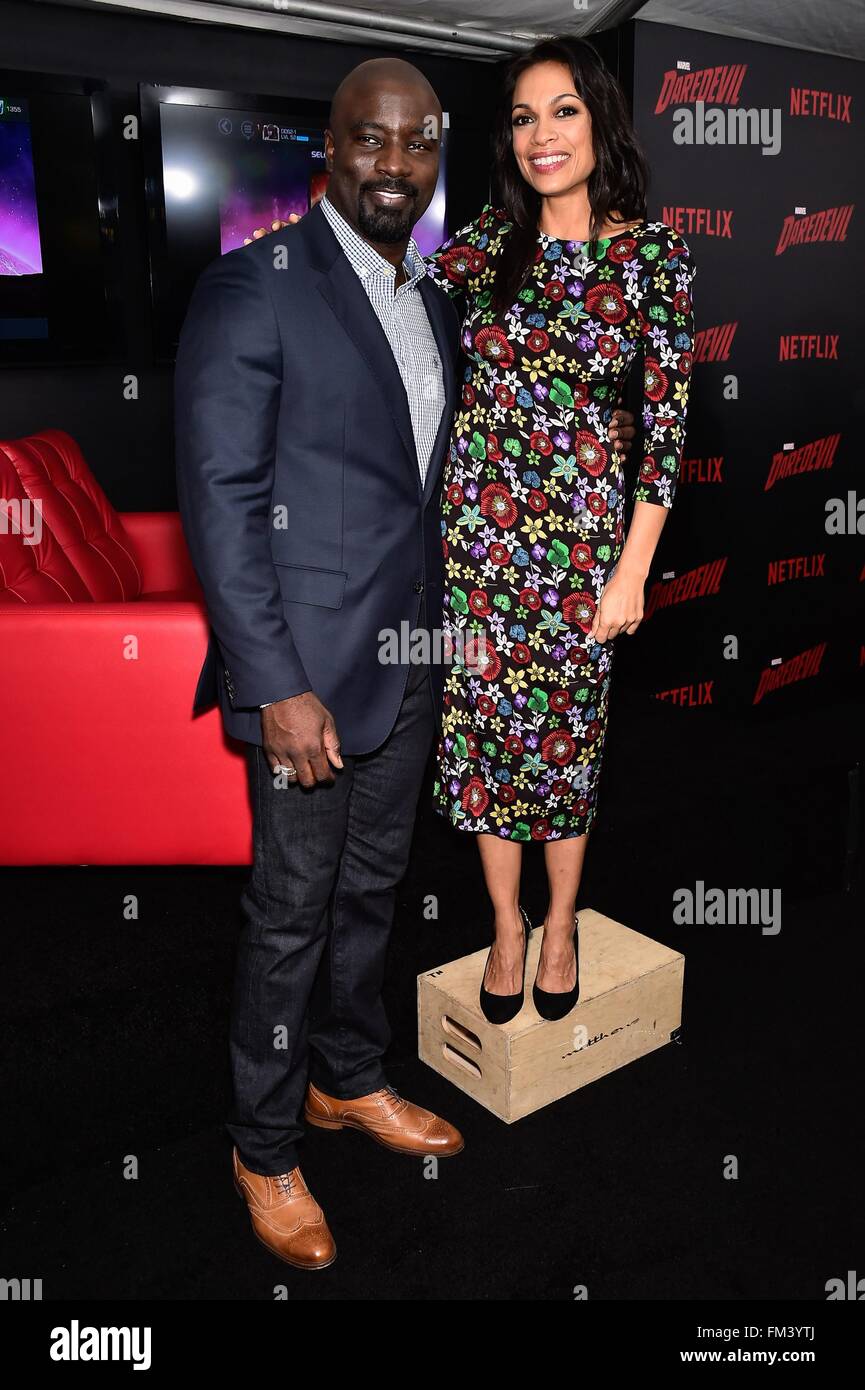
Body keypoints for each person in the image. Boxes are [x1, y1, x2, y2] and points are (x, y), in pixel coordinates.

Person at [176, 52, 638, 1270]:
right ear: (329, 148)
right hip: (307, 683)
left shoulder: (435, 297)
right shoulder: (252, 286)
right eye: (369, 140)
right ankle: (264, 1147)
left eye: (417, 143)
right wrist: (273, 682)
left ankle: (346, 1079)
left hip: (413, 661)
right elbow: (222, 502)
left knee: (373, 894)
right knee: (289, 915)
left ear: (437, 157)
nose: (393, 163)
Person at [422, 36, 697, 1025]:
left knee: (563, 751)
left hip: (580, 556)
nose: (542, 133)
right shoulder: (486, 244)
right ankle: (503, 923)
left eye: (564, 110)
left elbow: (662, 429)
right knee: (486, 748)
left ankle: (563, 920)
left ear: (601, 121)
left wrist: (633, 572)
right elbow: (391, 319)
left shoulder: (652, 256)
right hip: (475, 553)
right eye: (525, 116)